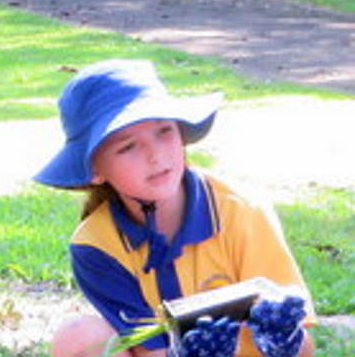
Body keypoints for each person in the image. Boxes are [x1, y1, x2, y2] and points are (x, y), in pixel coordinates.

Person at [39, 60, 316, 357]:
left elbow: (306, 346)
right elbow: (150, 352)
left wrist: (283, 339)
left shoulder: (243, 211)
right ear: (94, 170)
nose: (155, 156)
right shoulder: (94, 245)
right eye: (127, 146)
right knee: (78, 337)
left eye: (164, 131)